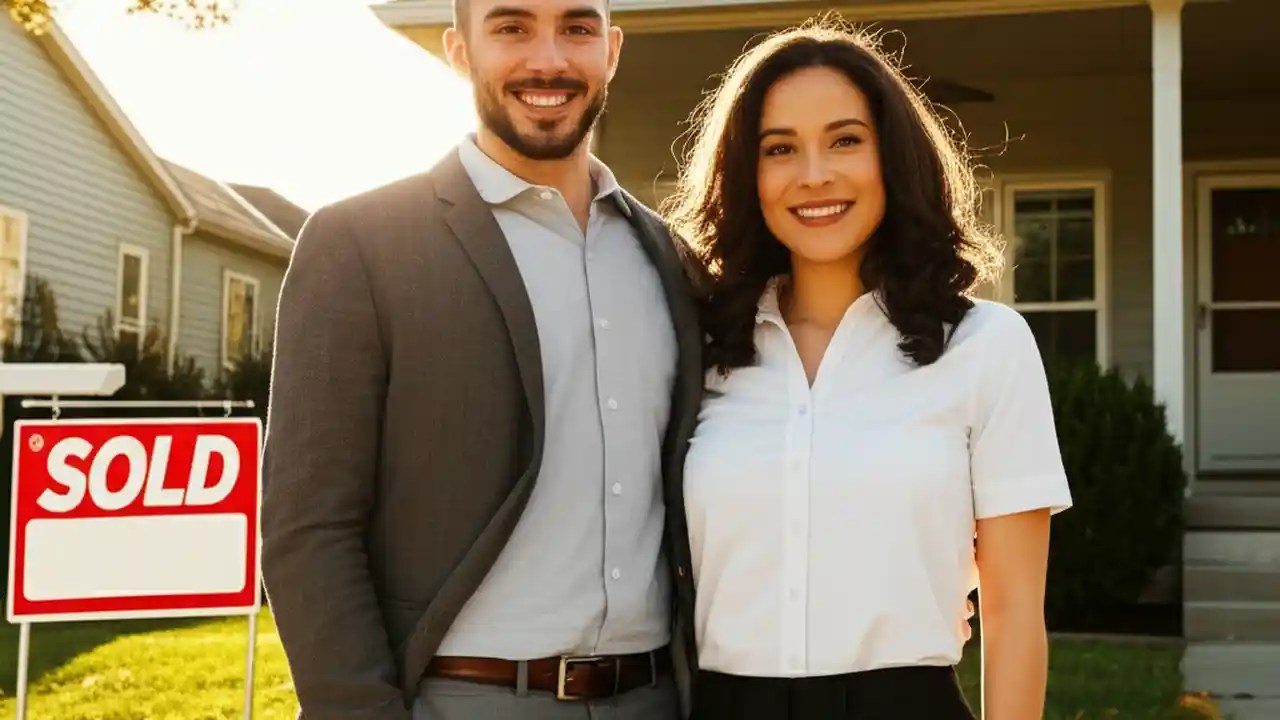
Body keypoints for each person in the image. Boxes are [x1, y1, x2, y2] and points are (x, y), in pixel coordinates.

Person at [260, 1, 703, 718]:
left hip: (655, 698)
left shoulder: (671, 258)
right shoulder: (361, 244)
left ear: (612, 51)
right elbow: (308, 524)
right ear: (459, 51)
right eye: (511, 28)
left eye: (577, 29)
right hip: (460, 699)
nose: (548, 60)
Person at [663, 20, 1074, 720]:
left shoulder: (985, 345)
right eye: (779, 148)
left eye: (846, 140)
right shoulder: (697, 349)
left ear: (893, 157)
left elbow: (1012, 616)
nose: (814, 174)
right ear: (747, 174)